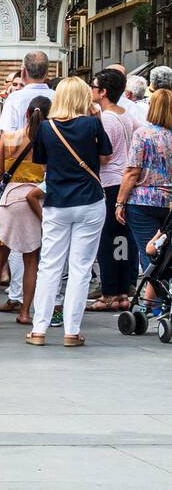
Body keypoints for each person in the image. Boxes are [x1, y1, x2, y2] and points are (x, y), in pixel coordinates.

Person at [27, 77, 112, 346]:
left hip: (57, 201)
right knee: (81, 268)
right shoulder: (91, 124)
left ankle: (39, 328)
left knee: (50, 265)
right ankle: (71, 331)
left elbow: (41, 164)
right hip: (89, 200)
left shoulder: (45, 128)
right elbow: (106, 157)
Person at [0, 96, 50, 327]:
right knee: (31, 260)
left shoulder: (8, 137)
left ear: (26, 113)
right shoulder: (48, 142)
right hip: (35, 199)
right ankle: (25, 312)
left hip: (10, 199)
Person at [117, 88, 172, 309]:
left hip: (143, 201)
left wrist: (120, 202)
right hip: (169, 203)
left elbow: (132, 171)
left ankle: (154, 304)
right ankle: (161, 301)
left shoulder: (143, 134)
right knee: (168, 253)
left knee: (149, 252)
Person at [90, 67, 137, 311]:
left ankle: (109, 293)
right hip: (126, 182)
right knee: (122, 238)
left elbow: (104, 155)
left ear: (104, 92)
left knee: (108, 239)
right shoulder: (127, 115)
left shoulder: (106, 119)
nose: (92, 90)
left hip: (109, 182)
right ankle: (122, 291)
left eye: (94, 87)